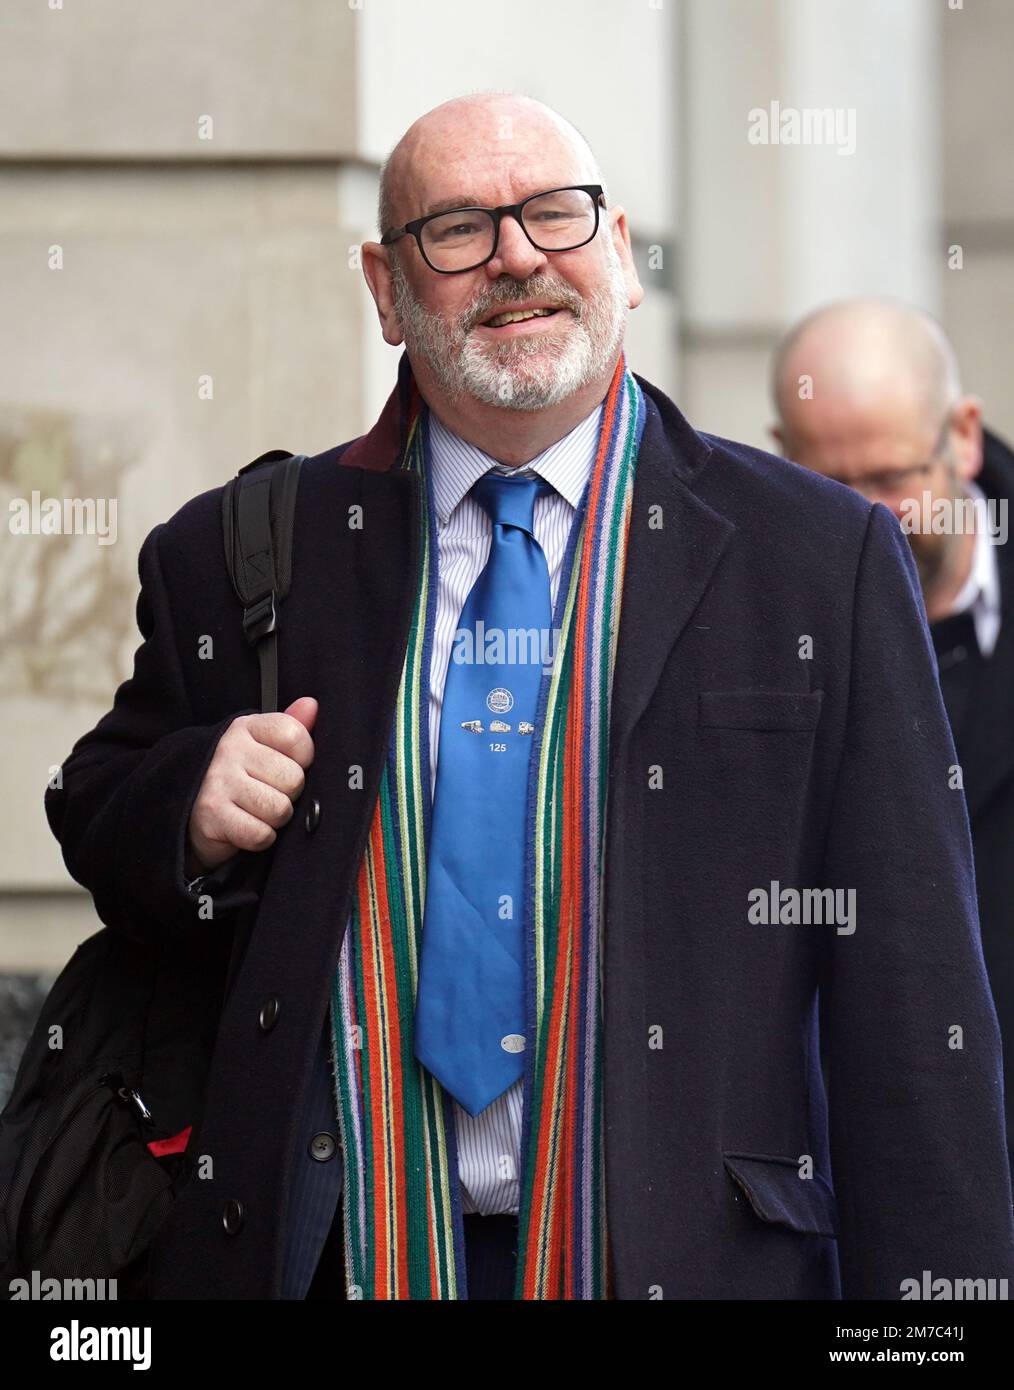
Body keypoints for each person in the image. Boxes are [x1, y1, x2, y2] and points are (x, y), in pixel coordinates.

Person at [45, 96, 1013, 1301]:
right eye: (456, 228)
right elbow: (95, 808)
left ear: (621, 255)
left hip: (687, 1259)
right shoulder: (250, 551)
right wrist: (188, 803)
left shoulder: (817, 560)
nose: (515, 255)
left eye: (556, 214)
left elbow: (913, 1004)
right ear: (386, 289)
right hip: (328, 1251)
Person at [772, 297, 1014, 1174]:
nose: (872, 522)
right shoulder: (751, 629)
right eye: (837, 488)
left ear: (965, 436)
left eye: (892, 480)